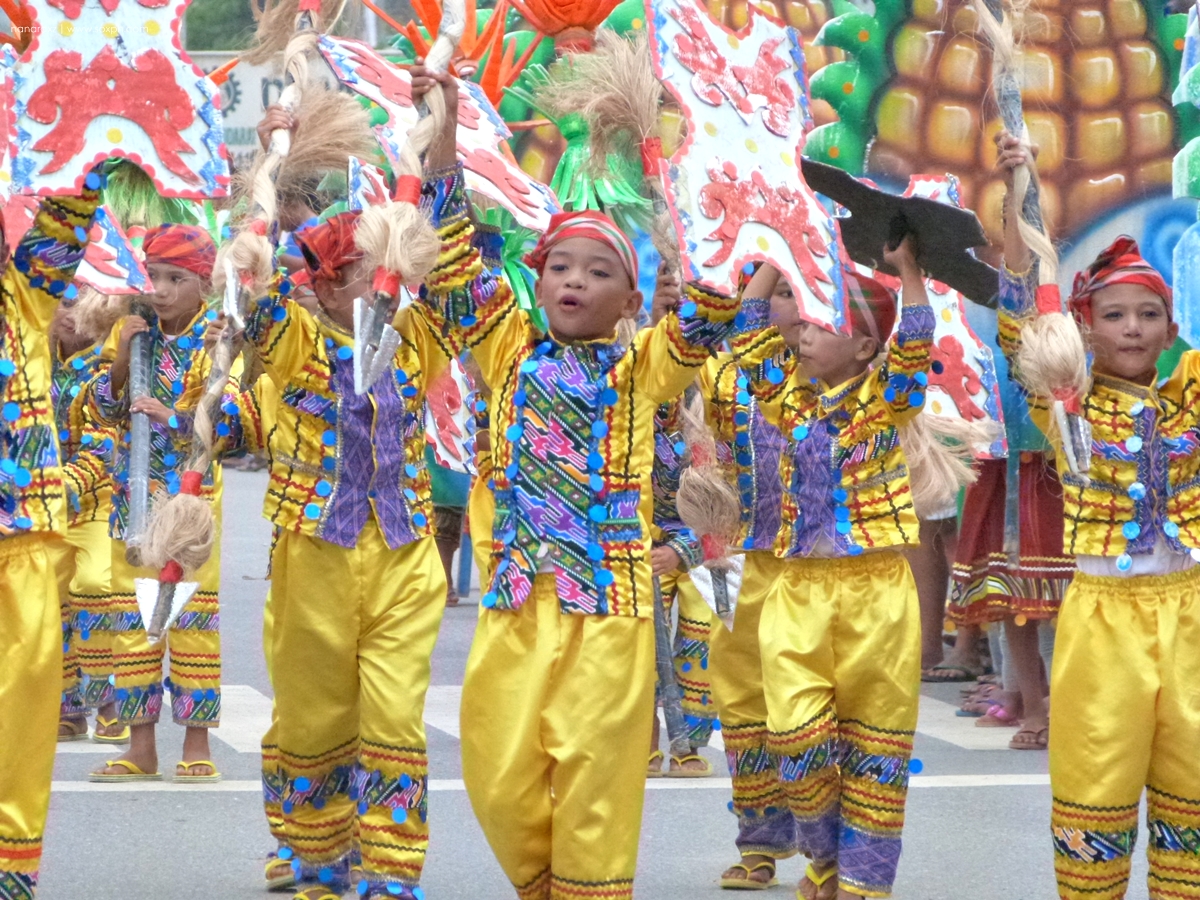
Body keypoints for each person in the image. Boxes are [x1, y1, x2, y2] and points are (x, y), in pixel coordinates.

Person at [412, 61, 744, 898]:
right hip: (518, 601)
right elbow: (451, 257)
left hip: (611, 606)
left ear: (630, 295)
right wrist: (443, 128)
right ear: (539, 276)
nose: (574, 282)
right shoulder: (505, 347)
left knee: (595, 784)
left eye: (598, 273)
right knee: (496, 772)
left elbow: (705, 312)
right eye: (561, 267)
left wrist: (700, 216)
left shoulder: (642, 369)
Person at [239, 94, 460, 900]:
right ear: (328, 289)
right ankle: (318, 852)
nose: (386, 285)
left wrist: (444, 136)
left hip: (403, 556)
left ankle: (392, 869)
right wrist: (268, 169)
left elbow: (458, 266)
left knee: (396, 716)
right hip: (314, 556)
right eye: (368, 274)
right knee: (313, 716)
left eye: (392, 273)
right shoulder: (297, 340)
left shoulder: (421, 337)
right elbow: (253, 295)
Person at [994, 130, 1200, 900]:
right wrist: (1020, 195)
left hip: (1190, 610)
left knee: (1192, 783)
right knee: (1098, 779)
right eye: (1115, 315)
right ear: (1085, 331)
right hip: (1105, 619)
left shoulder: (1191, 397)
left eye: (1150, 313)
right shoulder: (1067, 410)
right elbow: (1022, 314)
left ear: (1173, 329)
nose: (1135, 328)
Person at [731, 247, 934, 900]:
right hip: (795, 592)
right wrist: (768, 244)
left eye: (825, 322)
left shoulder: (889, 403)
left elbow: (915, 343)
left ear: (867, 346)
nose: (807, 331)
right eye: (807, 320)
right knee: (797, 741)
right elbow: (750, 324)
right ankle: (822, 860)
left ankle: (860, 885)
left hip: (877, 593)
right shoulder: (786, 400)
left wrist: (907, 276)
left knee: (874, 755)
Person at [87, 225, 258, 784]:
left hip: (189, 506)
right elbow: (102, 413)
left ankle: (196, 742)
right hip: (130, 504)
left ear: (202, 287)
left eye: (175, 279)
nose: (160, 290)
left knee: (189, 624)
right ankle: (141, 749)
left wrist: (176, 416)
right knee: (133, 624)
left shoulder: (217, 342)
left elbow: (229, 422)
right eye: (153, 276)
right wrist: (118, 362)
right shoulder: (132, 336)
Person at [0, 176, 101, 899]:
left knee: (18, 728)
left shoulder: (25, 294)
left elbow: (68, 216)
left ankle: (9, 876)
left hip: (23, 540)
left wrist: (95, 135)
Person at [47, 299, 123, 745]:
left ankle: (109, 701)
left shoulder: (108, 367)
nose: (66, 314)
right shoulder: (33, 362)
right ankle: (66, 705)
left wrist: (54, 487)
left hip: (98, 502)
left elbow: (104, 445)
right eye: (59, 302)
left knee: (94, 587)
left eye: (76, 302)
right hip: (44, 508)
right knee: (44, 598)